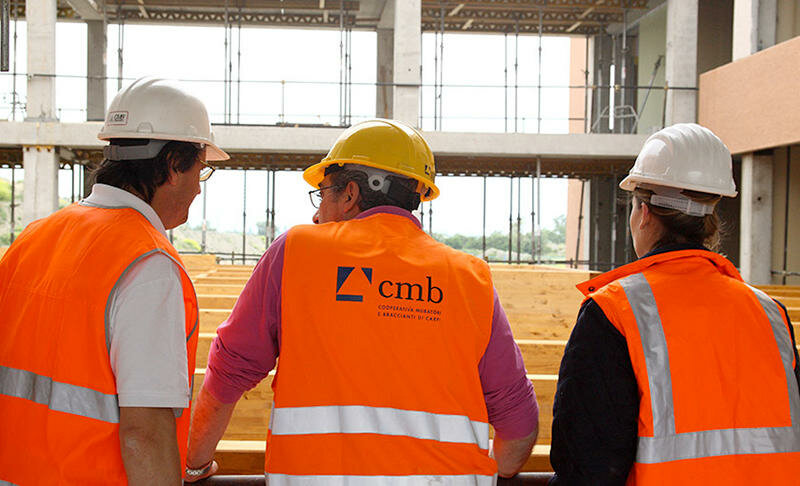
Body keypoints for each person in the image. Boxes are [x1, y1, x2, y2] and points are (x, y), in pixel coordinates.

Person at [185, 118, 539, 484]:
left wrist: (194, 464)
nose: (315, 214)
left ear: (350, 194)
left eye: (322, 194)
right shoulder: (470, 277)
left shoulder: (297, 252)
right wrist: (484, 474)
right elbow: (519, 424)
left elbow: (229, 373)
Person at [0, 77, 229, 485]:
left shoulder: (32, 239)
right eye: (201, 170)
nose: (198, 188)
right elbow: (146, 433)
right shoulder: (147, 264)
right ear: (174, 166)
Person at [549, 123, 800, 485]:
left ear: (644, 214)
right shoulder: (771, 315)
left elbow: (586, 467)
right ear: (710, 220)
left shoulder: (616, 312)